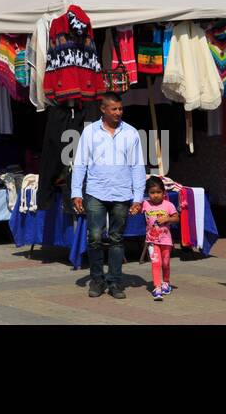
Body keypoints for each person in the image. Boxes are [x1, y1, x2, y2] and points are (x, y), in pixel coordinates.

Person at [70, 91, 146, 300]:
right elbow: (80, 163)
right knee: (94, 236)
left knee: (116, 238)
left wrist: (138, 197)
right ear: (103, 110)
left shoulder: (131, 133)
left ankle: (114, 281)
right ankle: (97, 279)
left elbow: (137, 166)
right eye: (114, 109)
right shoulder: (90, 132)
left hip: (122, 193)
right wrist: (76, 192)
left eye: (120, 109)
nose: (118, 113)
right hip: (95, 191)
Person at [141, 176, 179, 301]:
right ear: (148, 193)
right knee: (156, 262)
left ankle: (166, 283)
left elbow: (176, 218)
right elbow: (135, 210)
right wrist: (133, 209)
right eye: (152, 193)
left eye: (158, 192)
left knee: (165, 263)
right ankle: (157, 287)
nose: (155, 195)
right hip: (152, 241)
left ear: (164, 192)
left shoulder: (168, 205)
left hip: (166, 240)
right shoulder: (145, 204)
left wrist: (167, 218)